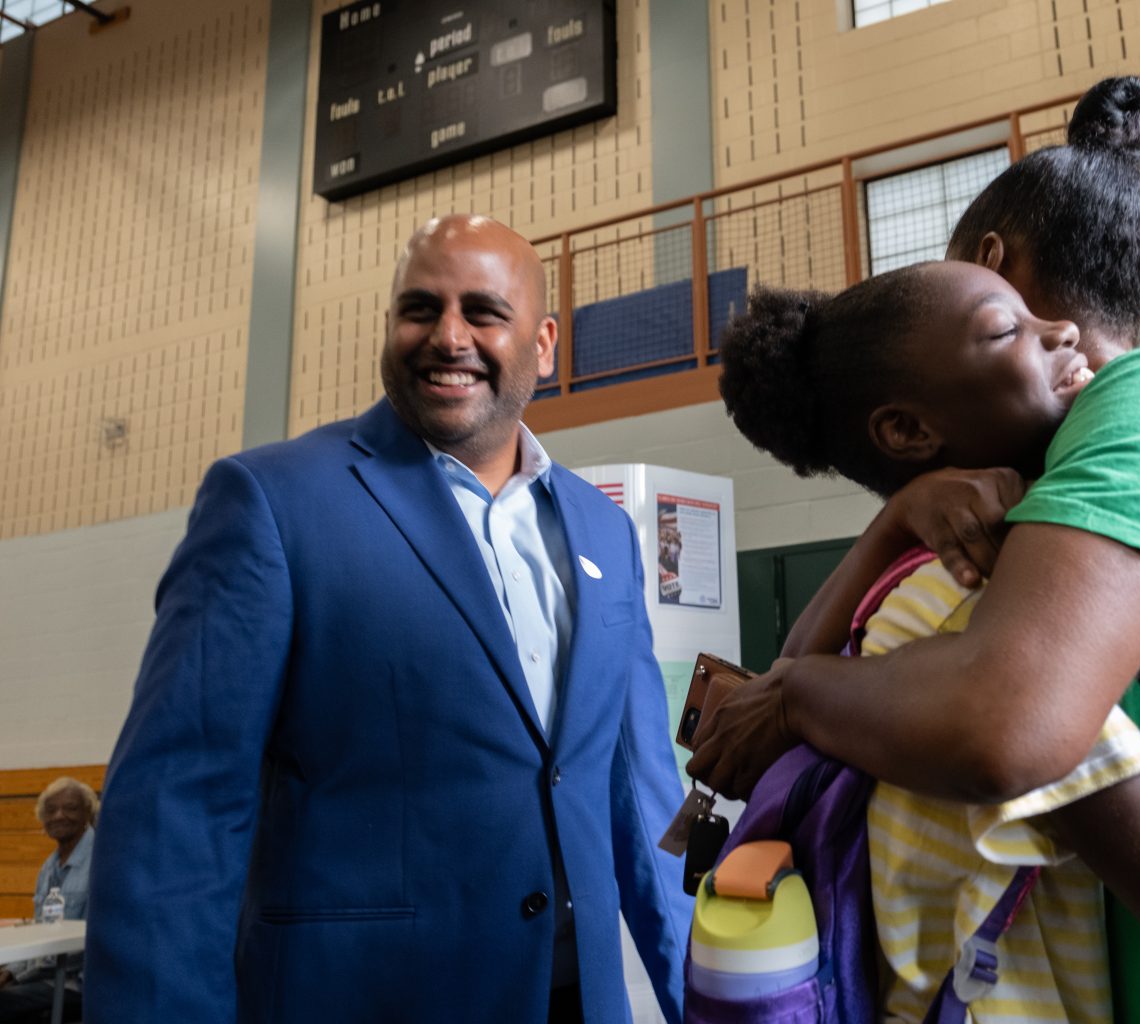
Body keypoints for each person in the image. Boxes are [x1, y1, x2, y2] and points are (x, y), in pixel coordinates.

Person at [695, 79, 1140, 1024]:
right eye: (1001, 324)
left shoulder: (1112, 452)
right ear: (908, 431)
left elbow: (814, 692)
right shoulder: (960, 610)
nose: (1064, 339)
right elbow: (934, 710)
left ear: (997, 253)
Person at [86, 215, 692, 1023]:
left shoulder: (603, 531)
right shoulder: (273, 501)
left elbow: (643, 792)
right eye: (419, 308)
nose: (449, 336)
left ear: (543, 345)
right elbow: (178, 813)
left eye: (483, 311)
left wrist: (703, 995)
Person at [0, 778, 95, 1024]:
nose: (59, 816)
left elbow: (84, 947)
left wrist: (16, 977)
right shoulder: (49, 867)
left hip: (78, 984)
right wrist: (10, 970)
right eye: (51, 810)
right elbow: (38, 931)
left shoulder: (99, 863)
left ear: (87, 813)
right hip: (42, 976)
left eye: (71, 808)